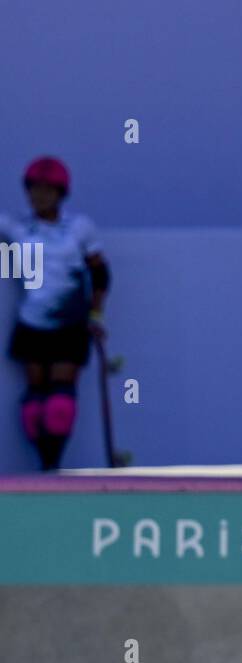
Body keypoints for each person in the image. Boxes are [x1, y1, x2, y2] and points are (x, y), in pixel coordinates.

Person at [0, 157, 110, 470]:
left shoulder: (79, 228)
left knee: (59, 406)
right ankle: (43, 468)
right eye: (35, 189)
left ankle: (54, 469)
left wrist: (97, 316)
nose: (41, 196)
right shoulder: (17, 228)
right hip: (31, 321)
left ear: (61, 193)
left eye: (48, 190)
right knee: (34, 406)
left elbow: (101, 273)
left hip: (69, 321)